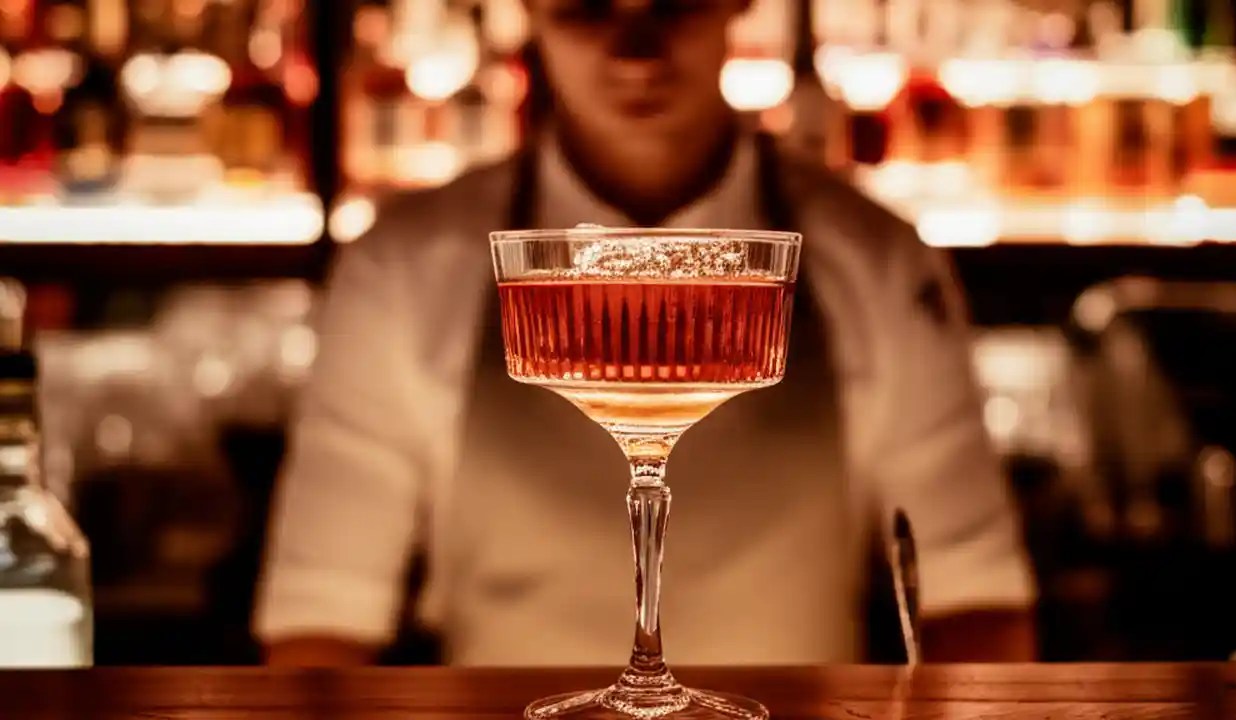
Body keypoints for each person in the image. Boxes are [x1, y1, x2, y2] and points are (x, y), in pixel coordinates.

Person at [256, 0, 1036, 667]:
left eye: (675, 0)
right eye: (587, 5)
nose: (634, 51)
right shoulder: (401, 269)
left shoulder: (879, 263)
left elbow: (976, 603)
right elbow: (319, 623)